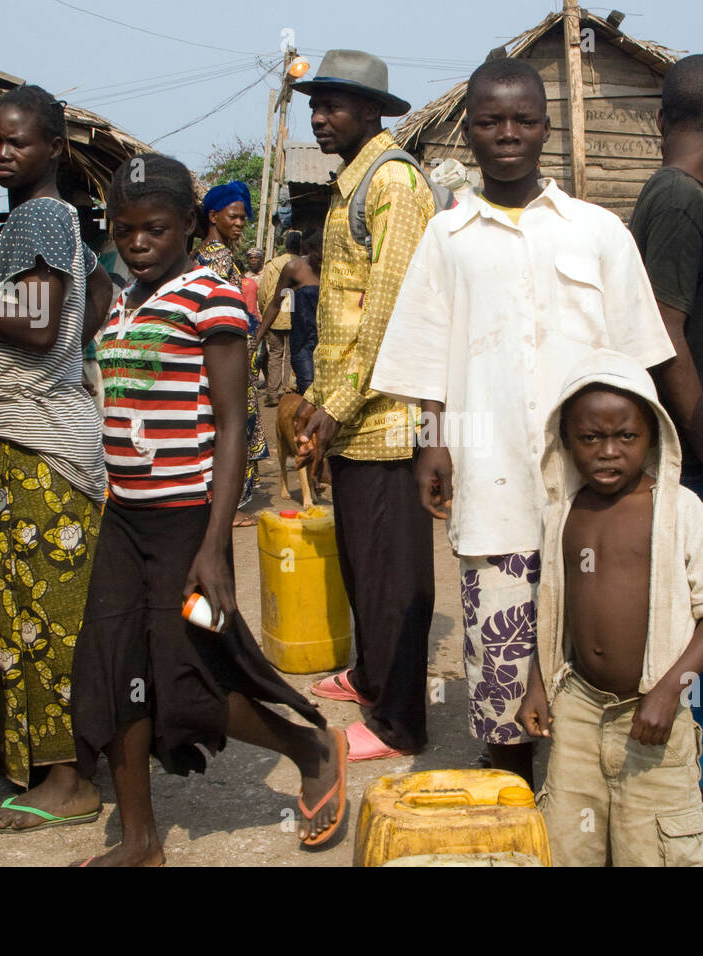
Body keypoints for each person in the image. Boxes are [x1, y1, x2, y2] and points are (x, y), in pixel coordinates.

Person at [373, 59, 673, 786]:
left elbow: (639, 361)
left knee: (596, 633)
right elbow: (422, 350)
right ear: (467, 130)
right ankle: (509, 773)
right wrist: (432, 445)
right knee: (499, 638)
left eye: (523, 120)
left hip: (592, 484)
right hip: (494, 474)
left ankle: (588, 785)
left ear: (546, 127)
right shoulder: (448, 238)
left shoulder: (598, 233)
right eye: (489, 121)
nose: (507, 134)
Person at [72, 154, 346, 865]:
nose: (139, 242)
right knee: (113, 666)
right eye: (124, 229)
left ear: (188, 226)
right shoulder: (120, 302)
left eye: (156, 229)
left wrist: (213, 544)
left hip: (190, 524)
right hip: (125, 520)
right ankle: (140, 842)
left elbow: (233, 425)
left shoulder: (211, 299)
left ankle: (310, 745)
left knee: (188, 672)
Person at [0, 84, 113, 833]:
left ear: (55, 148)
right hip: (40, 440)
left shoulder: (39, 217)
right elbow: (95, 302)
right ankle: (57, 763)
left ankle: (67, 780)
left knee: (41, 618)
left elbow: (43, 327)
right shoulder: (62, 227)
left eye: (17, 141)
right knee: (38, 614)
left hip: (38, 449)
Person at [515, 351, 703, 865]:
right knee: (568, 845)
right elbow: (551, 607)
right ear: (566, 443)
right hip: (576, 711)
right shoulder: (564, 514)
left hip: (651, 718)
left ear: (654, 438)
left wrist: (668, 690)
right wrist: (538, 682)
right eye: (590, 438)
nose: (608, 452)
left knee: (655, 848)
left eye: (626, 437)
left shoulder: (681, 512)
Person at [291, 50, 436, 761]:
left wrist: (337, 402)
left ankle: (399, 722)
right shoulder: (354, 184)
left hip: (388, 420)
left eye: (334, 106)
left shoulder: (394, 185)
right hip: (353, 417)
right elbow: (343, 313)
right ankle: (374, 676)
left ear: (373, 112)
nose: (319, 118)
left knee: (393, 575)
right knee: (363, 561)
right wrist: (318, 400)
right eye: (314, 106)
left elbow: (391, 313)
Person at [630, 54, 703, 505]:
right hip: (688, 466)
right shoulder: (680, 199)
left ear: (660, 120)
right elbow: (664, 334)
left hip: (699, 460)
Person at [196, 181, 268, 527]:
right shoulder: (219, 259)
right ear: (213, 216)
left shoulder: (205, 255)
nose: (240, 223)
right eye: (234, 217)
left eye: (243, 218)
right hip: (230, 357)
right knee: (234, 426)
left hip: (230, 356)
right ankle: (232, 506)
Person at [257, 229, 321, 396]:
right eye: (319, 257)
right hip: (303, 346)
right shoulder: (293, 268)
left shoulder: (337, 269)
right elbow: (275, 304)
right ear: (309, 248)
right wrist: (256, 339)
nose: (321, 263)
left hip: (330, 346)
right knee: (309, 393)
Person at [257, 231, 301, 405]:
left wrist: (264, 312)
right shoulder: (304, 264)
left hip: (275, 317)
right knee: (291, 355)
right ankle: (287, 391)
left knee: (275, 355)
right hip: (295, 316)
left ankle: (272, 393)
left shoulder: (273, 264)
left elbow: (263, 292)